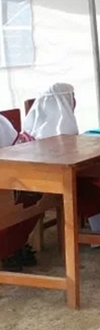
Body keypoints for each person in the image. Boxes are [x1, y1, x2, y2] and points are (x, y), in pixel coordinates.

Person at [22, 83, 100, 234]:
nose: (74, 101)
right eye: (72, 97)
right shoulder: (62, 128)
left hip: (48, 174)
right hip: (51, 177)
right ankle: (96, 230)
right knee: (88, 179)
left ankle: (93, 225)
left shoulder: (36, 124)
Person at [0, 114, 36, 272]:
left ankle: (14, 246)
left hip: (8, 175)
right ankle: (8, 250)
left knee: (33, 197)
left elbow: (16, 146)